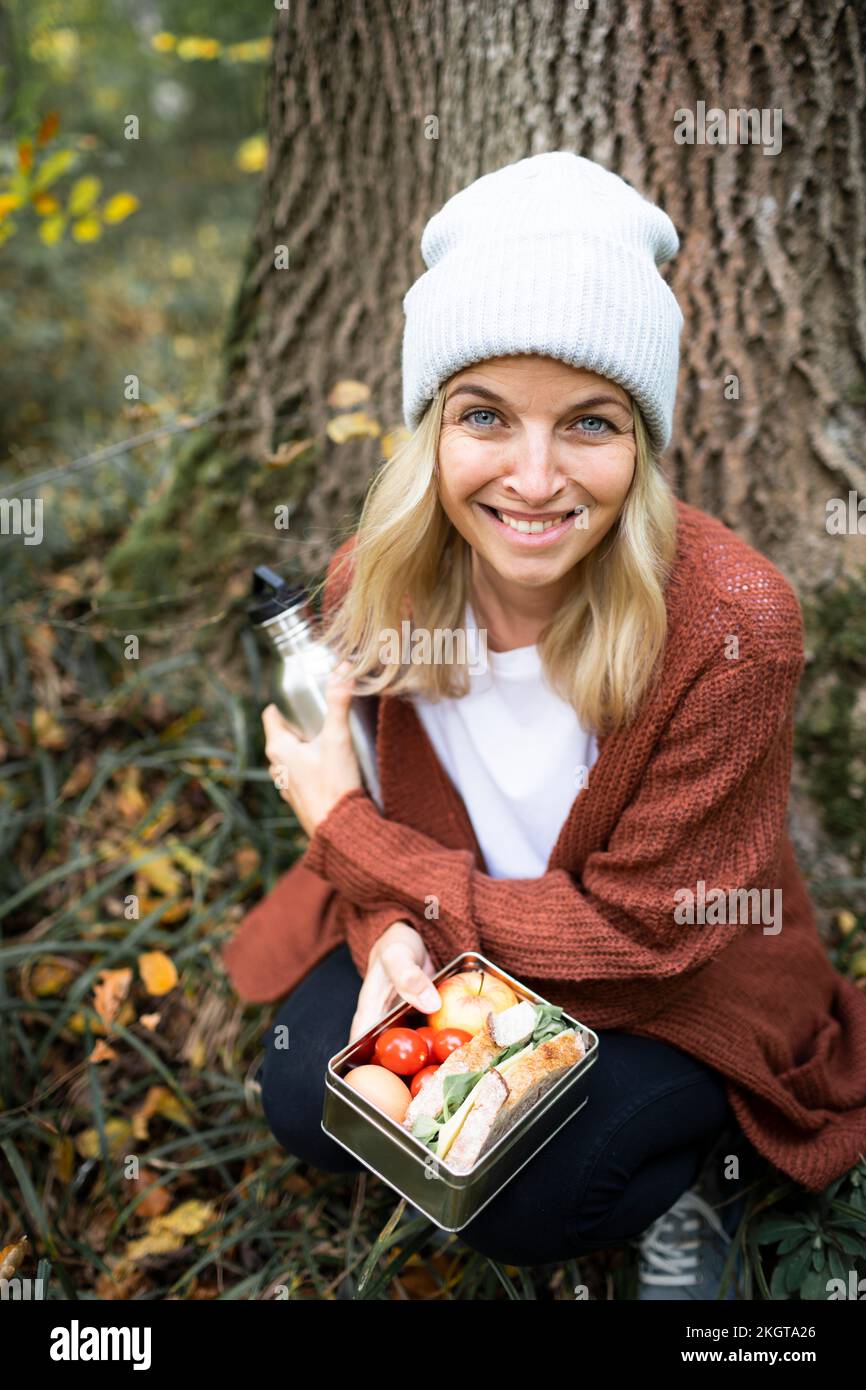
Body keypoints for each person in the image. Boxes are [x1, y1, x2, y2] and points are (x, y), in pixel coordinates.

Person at [222, 152, 866, 1296]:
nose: (531, 478)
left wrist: (344, 833)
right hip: (471, 934)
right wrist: (392, 935)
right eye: (484, 415)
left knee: (531, 1195)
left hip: (665, 979)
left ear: (643, 441)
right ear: (431, 430)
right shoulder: (377, 580)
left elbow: (638, 944)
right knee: (307, 1092)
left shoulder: (731, 624)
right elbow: (380, 800)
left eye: (587, 423)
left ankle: (698, 1180)